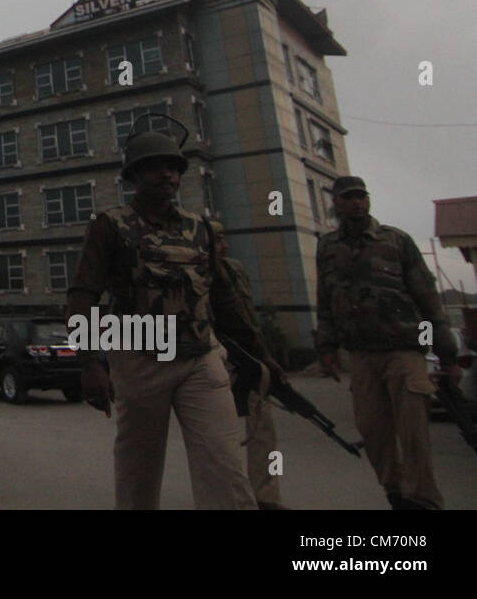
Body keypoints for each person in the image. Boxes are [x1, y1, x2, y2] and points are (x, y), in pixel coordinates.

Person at [66, 117, 281, 509]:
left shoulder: (201, 227)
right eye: (155, 166)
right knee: (139, 471)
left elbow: (223, 297)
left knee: (226, 469)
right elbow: (83, 295)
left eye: (173, 167)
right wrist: (90, 362)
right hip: (140, 360)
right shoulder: (111, 226)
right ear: (134, 174)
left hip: (200, 359)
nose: (167, 174)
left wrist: (259, 354)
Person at [316, 175, 459, 510]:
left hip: (403, 351)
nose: (357, 203)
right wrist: (326, 347)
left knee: (414, 436)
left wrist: (446, 355)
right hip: (362, 356)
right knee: (374, 433)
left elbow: (428, 300)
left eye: (361, 196)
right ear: (336, 202)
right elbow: (326, 299)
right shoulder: (328, 247)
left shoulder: (395, 240)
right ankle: (396, 495)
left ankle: (422, 500)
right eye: (348, 197)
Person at [211, 220, 284, 509]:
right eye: (216, 240)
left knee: (262, 431)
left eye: (223, 239)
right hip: (214, 359)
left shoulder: (236, 270)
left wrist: (267, 358)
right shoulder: (195, 272)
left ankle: (266, 497)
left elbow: (249, 320)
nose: (224, 245)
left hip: (249, 359)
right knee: (218, 436)